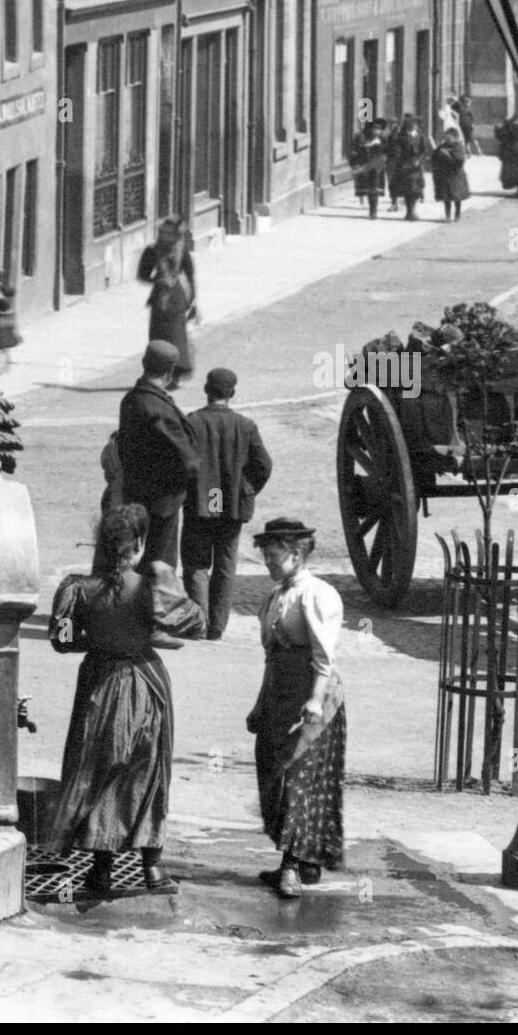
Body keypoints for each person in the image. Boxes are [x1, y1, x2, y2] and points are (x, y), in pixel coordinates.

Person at [47, 504, 206, 896]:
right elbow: (196, 624)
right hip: (145, 683)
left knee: (101, 772)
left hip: (99, 684)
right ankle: (151, 868)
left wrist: (100, 640)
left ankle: (100, 871)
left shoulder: (78, 590)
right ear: (137, 545)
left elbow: (61, 640)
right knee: (148, 770)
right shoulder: (151, 587)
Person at [247, 518, 345, 900]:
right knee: (271, 771)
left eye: (274, 557)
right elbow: (271, 657)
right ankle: (304, 860)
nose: (269, 563)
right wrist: (259, 704)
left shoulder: (317, 595)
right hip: (279, 693)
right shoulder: (274, 597)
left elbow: (324, 656)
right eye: (266, 557)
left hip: (312, 695)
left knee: (297, 777)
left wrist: (315, 701)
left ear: (295, 554)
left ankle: (292, 866)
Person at [181, 368, 273, 640]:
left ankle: (198, 622)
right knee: (225, 566)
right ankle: (217, 627)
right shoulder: (245, 425)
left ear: (207, 391)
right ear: (231, 394)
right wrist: (247, 489)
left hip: (202, 503)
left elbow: (180, 462)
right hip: (230, 505)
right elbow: (263, 465)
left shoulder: (193, 422)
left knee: (196, 564)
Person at [117, 340, 199, 568]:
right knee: (161, 565)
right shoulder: (158, 408)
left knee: (137, 559)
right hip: (169, 501)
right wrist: (213, 501)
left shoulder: (131, 400)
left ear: (144, 363)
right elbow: (188, 461)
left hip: (136, 494)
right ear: (170, 372)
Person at [137, 217, 196, 389]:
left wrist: (193, 301)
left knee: (176, 338)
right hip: (160, 300)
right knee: (158, 336)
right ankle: (158, 373)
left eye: (168, 234)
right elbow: (142, 275)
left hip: (177, 300)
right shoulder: (152, 251)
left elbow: (190, 276)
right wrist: (156, 279)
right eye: (162, 233)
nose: (164, 236)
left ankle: (175, 374)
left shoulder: (181, 250)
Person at [387, 113, 429, 221]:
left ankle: (412, 210)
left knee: (416, 190)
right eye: (412, 123)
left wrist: (419, 159)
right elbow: (395, 149)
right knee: (407, 189)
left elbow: (423, 150)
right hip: (404, 166)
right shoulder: (400, 136)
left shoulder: (419, 135)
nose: (414, 125)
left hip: (416, 167)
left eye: (415, 123)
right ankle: (409, 212)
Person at [348, 120, 387, 219]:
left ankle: (373, 211)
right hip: (365, 167)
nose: (377, 131)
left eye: (379, 129)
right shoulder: (362, 139)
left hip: (377, 168)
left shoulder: (383, 140)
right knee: (367, 188)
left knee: (374, 189)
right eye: (375, 129)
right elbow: (354, 153)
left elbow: (389, 152)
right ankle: (370, 208)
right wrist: (355, 164)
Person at [430, 126, 471, 222]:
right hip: (445, 176)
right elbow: (434, 157)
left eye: (449, 138)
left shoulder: (458, 147)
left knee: (457, 197)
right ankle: (447, 215)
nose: (447, 140)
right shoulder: (442, 146)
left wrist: (447, 155)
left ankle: (457, 215)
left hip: (456, 176)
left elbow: (460, 161)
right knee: (446, 197)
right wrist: (438, 151)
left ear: (455, 138)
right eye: (446, 138)